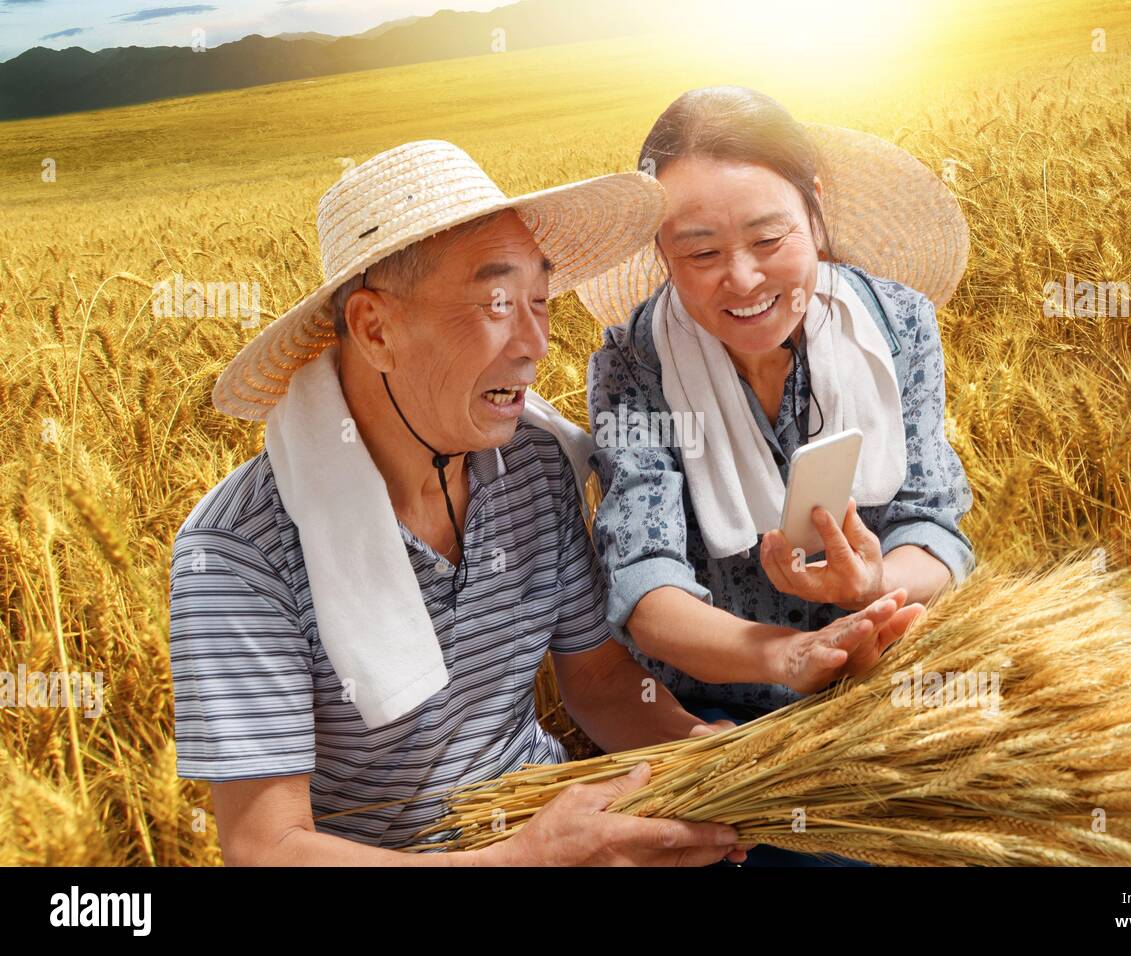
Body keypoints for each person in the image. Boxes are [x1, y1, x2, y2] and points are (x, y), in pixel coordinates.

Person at [170, 140, 920, 865]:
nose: (535, 344)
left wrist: (717, 764)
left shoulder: (532, 463)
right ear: (375, 328)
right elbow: (264, 848)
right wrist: (518, 862)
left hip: (557, 822)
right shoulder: (239, 552)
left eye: (541, 300)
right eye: (498, 303)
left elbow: (598, 683)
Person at [579, 88, 976, 864]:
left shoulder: (895, 325)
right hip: (715, 729)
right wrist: (783, 659)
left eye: (770, 237)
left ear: (815, 211)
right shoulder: (634, 364)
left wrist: (869, 590)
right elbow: (643, 586)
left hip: (875, 696)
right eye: (700, 253)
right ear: (660, 253)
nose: (744, 279)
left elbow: (935, 527)